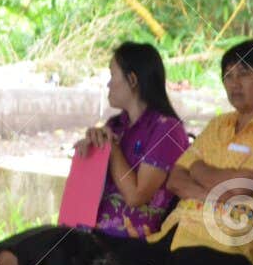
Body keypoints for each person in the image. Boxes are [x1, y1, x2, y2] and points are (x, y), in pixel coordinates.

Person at [109, 39, 253, 265]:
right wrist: (216, 186)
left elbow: (240, 188)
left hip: (227, 243)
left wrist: (198, 169)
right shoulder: (218, 125)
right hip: (179, 232)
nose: (234, 83)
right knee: (118, 263)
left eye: (244, 73)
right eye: (228, 75)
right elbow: (175, 179)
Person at [76, 41, 191, 242]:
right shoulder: (116, 125)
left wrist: (112, 150)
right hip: (90, 232)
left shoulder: (167, 129)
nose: (108, 84)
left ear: (132, 79)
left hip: (132, 242)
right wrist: (89, 154)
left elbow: (136, 196)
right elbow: (87, 191)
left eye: (112, 75)